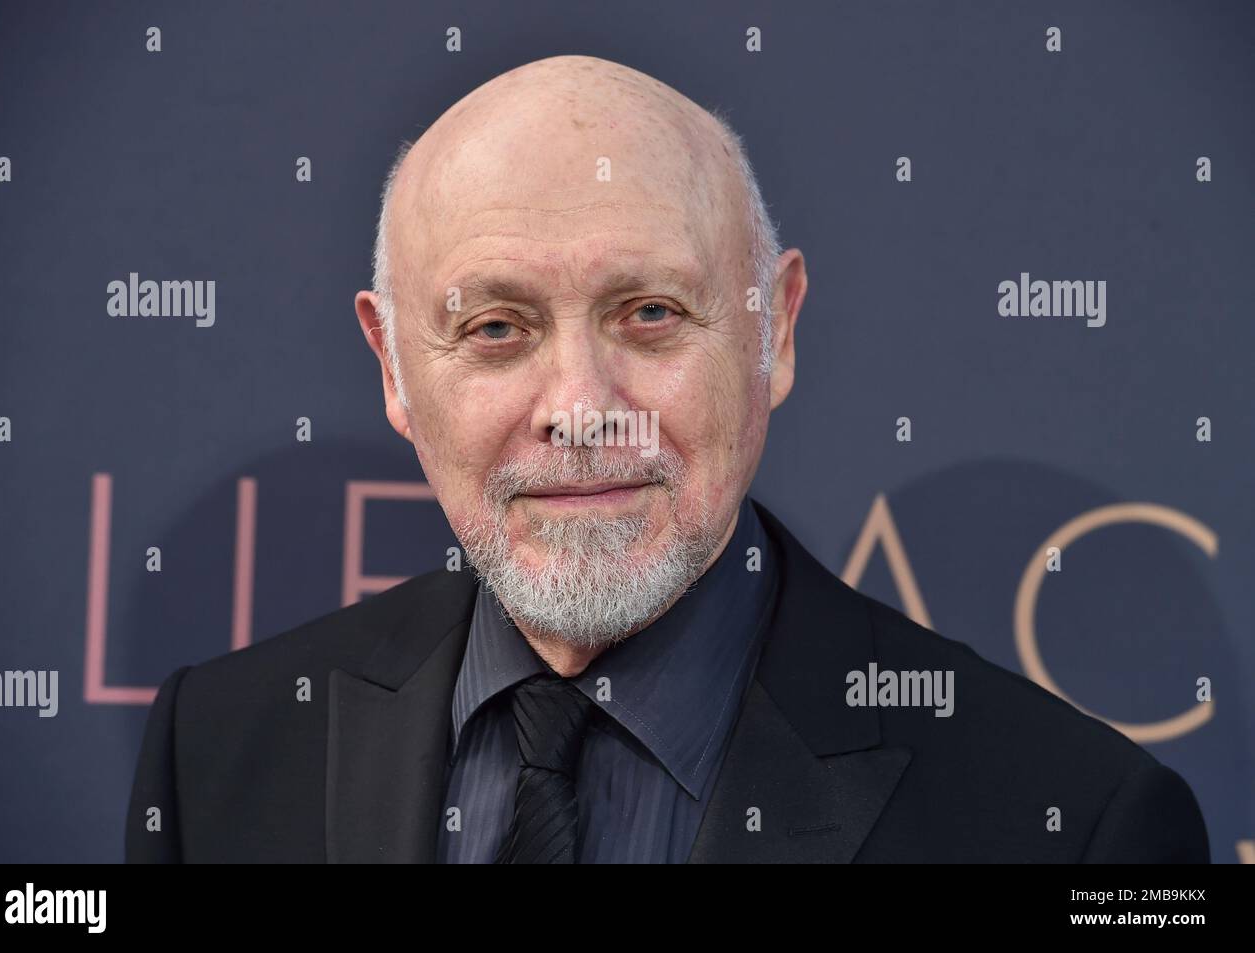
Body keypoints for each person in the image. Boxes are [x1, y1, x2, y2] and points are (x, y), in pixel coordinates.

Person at [126, 55, 1209, 863]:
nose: (583, 410)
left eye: (649, 312)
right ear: (395, 370)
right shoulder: (219, 748)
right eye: (496, 328)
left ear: (772, 331)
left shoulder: (1072, 824)